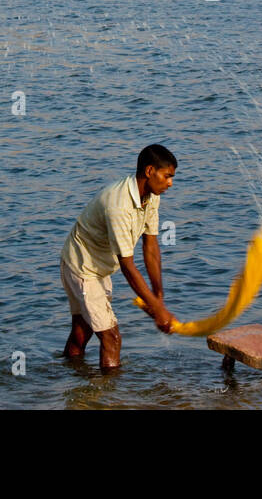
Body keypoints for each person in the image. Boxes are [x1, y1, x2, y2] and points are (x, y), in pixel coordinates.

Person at [62, 144, 178, 371]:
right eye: (167, 176)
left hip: (97, 266)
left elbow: (151, 245)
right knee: (111, 338)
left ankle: (64, 376)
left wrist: (158, 295)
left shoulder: (151, 195)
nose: (170, 183)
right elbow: (127, 265)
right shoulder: (119, 206)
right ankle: (110, 399)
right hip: (82, 267)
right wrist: (157, 309)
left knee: (82, 331)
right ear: (149, 171)